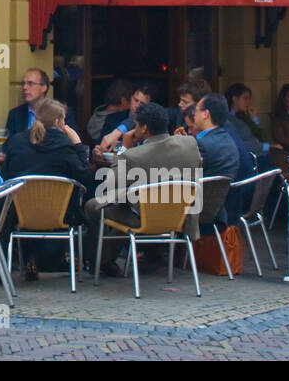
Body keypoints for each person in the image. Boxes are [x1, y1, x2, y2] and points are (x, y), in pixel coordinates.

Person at [85, 101, 202, 276]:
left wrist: (125, 148)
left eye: (137, 125)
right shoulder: (190, 143)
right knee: (125, 207)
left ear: (144, 128)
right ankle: (105, 260)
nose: (135, 130)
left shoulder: (133, 155)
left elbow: (109, 186)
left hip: (144, 218)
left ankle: (95, 259)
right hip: (180, 216)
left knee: (93, 206)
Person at [2, 98, 91, 280]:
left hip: (21, 213)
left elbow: (6, 176)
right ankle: (65, 259)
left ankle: (30, 259)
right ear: (59, 122)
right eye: (64, 119)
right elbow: (84, 177)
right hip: (59, 214)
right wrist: (78, 145)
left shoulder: (17, 142)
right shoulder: (66, 147)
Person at [6, 68, 71, 139]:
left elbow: (72, 142)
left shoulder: (62, 112)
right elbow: (8, 145)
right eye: (23, 84)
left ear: (44, 88)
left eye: (30, 83)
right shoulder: (15, 114)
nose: (24, 87)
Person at [85, 79, 137, 144]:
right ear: (123, 101)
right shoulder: (108, 121)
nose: (135, 106)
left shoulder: (98, 112)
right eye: (134, 101)